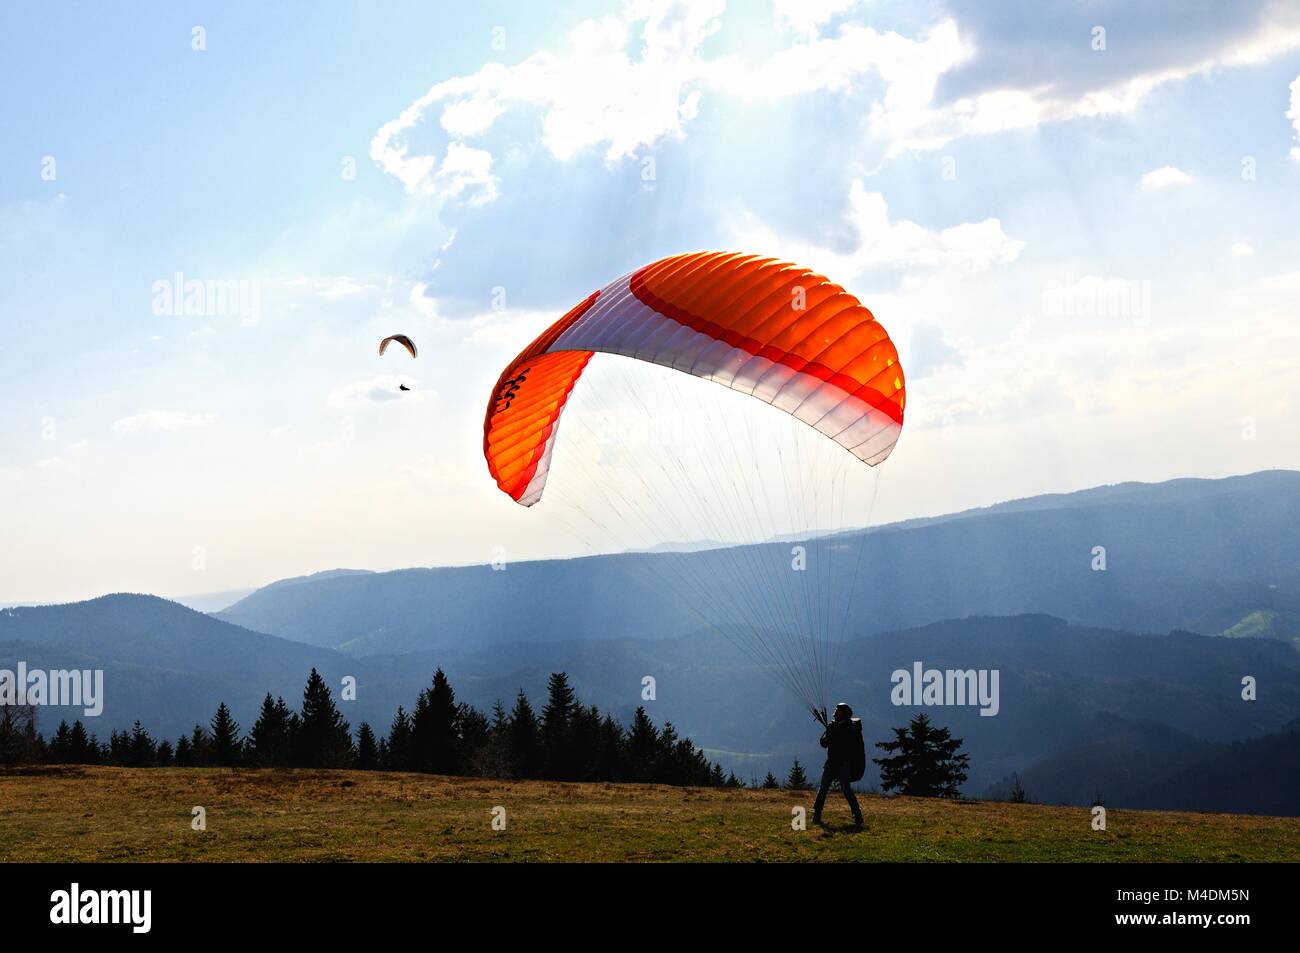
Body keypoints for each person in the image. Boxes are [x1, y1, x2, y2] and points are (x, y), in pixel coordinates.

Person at [812, 702, 864, 827]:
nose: (834, 712)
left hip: (843, 763)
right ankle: (816, 815)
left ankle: (857, 815)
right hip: (831, 763)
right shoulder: (832, 726)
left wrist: (831, 733)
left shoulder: (850, 728)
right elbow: (826, 744)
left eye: (838, 711)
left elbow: (844, 742)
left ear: (844, 714)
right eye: (835, 710)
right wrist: (826, 737)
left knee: (845, 789)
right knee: (823, 788)